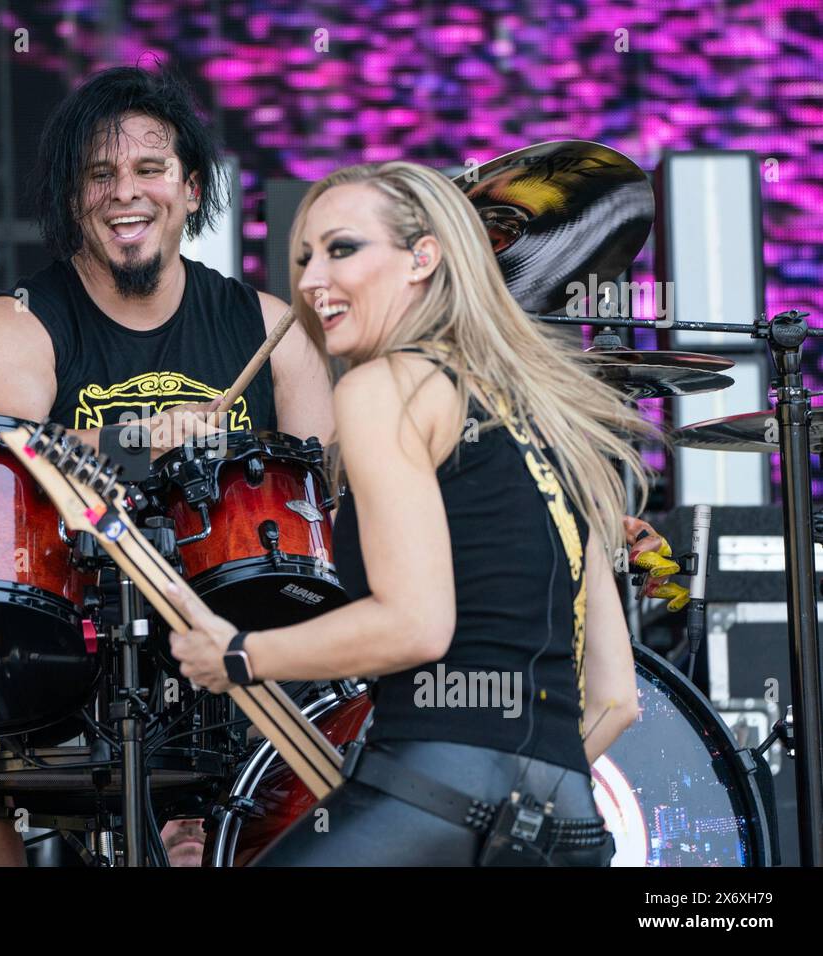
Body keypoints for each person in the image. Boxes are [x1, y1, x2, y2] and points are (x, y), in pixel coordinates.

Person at [165, 160, 654, 866]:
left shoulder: (385, 386)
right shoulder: (549, 419)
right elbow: (614, 698)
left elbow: (416, 624)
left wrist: (239, 655)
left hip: (434, 792)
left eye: (342, 249)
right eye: (303, 258)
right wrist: (507, 825)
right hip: (566, 825)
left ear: (423, 258)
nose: (309, 281)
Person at [0, 64, 334, 865]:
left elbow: (326, 499)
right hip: (69, 636)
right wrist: (145, 438)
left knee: (337, 736)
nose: (125, 193)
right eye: (100, 174)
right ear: (73, 197)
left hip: (237, 636)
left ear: (189, 188)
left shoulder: (272, 330)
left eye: (150, 169)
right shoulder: (10, 326)